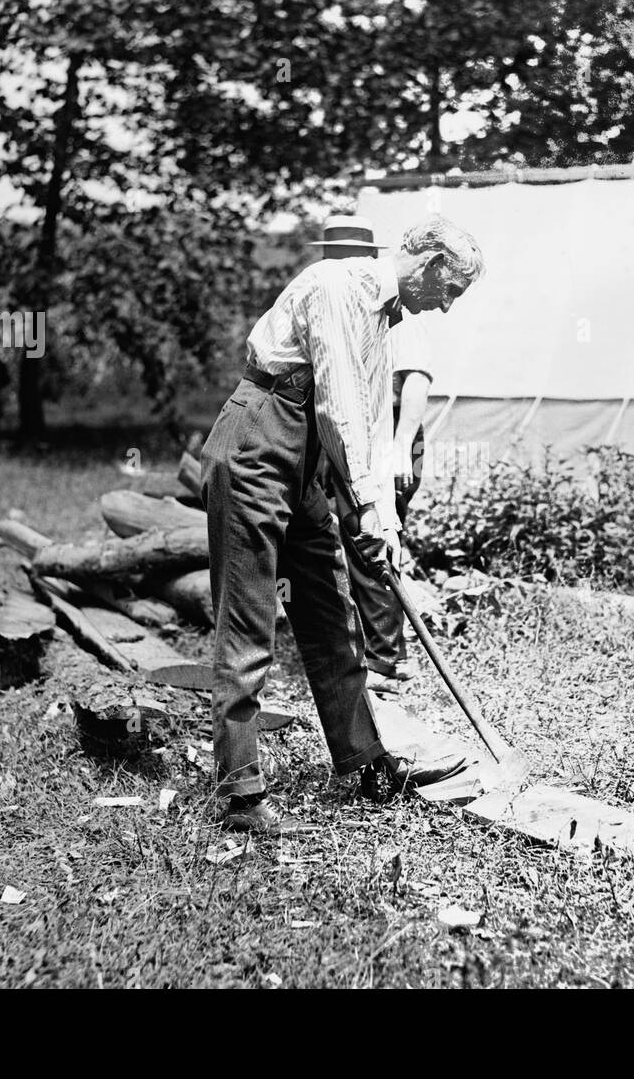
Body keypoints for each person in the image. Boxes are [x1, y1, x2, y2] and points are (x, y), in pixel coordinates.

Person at [200, 215, 486, 833]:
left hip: (302, 452)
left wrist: (383, 519)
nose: (445, 307)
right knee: (250, 620)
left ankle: (364, 763)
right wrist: (367, 506)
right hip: (259, 437)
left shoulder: (384, 318)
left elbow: (373, 429)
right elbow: (339, 405)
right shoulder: (337, 287)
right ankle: (240, 797)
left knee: (330, 603)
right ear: (431, 261)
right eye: (450, 291)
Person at [310, 215, 432, 688]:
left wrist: (400, 447)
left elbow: (416, 378)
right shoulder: (339, 298)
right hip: (357, 434)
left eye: (344, 254)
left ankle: (388, 658)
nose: (336, 263)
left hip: (393, 435)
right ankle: (382, 650)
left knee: (375, 540)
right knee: (359, 538)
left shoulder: (394, 304)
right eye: (331, 254)